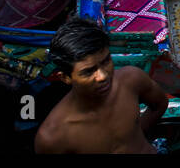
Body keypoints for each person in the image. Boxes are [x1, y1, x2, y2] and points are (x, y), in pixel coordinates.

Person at [35, 17, 168, 154]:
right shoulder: (53, 137)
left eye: (106, 62)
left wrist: (134, 134)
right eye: (88, 71)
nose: (103, 76)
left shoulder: (131, 80)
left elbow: (160, 104)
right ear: (65, 78)